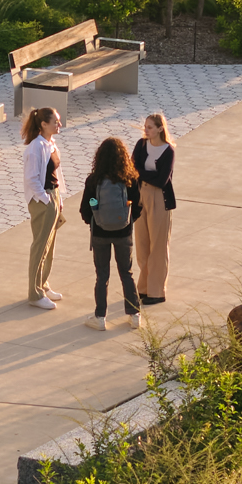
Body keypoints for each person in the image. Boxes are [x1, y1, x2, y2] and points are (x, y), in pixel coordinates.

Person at [79, 136, 144, 330]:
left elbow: (86, 208)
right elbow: (138, 207)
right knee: (127, 273)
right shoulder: (130, 180)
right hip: (123, 233)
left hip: (100, 233)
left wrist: (96, 214)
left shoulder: (93, 180)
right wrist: (126, 220)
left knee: (102, 276)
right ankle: (134, 315)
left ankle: (100, 317)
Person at [130, 111, 175, 305]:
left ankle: (157, 291)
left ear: (160, 128)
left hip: (159, 199)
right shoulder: (141, 145)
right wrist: (141, 174)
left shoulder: (168, 150)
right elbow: (131, 169)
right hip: (141, 196)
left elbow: (162, 180)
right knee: (142, 244)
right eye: (145, 126)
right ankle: (144, 287)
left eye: (150, 127)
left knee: (158, 246)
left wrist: (140, 173)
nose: (146, 130)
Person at [22, 107, 64, 309]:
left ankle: (43, 284)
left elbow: (56, 174)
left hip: (52, 196)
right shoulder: (35, 147)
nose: (59, 124)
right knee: (40, 246)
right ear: (43, 125)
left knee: (50, 246)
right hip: (42, 200)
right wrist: (46, 200)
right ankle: (35, 293)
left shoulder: (50, 143)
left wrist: (58, 197)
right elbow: (31, 178)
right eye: (55, 122)